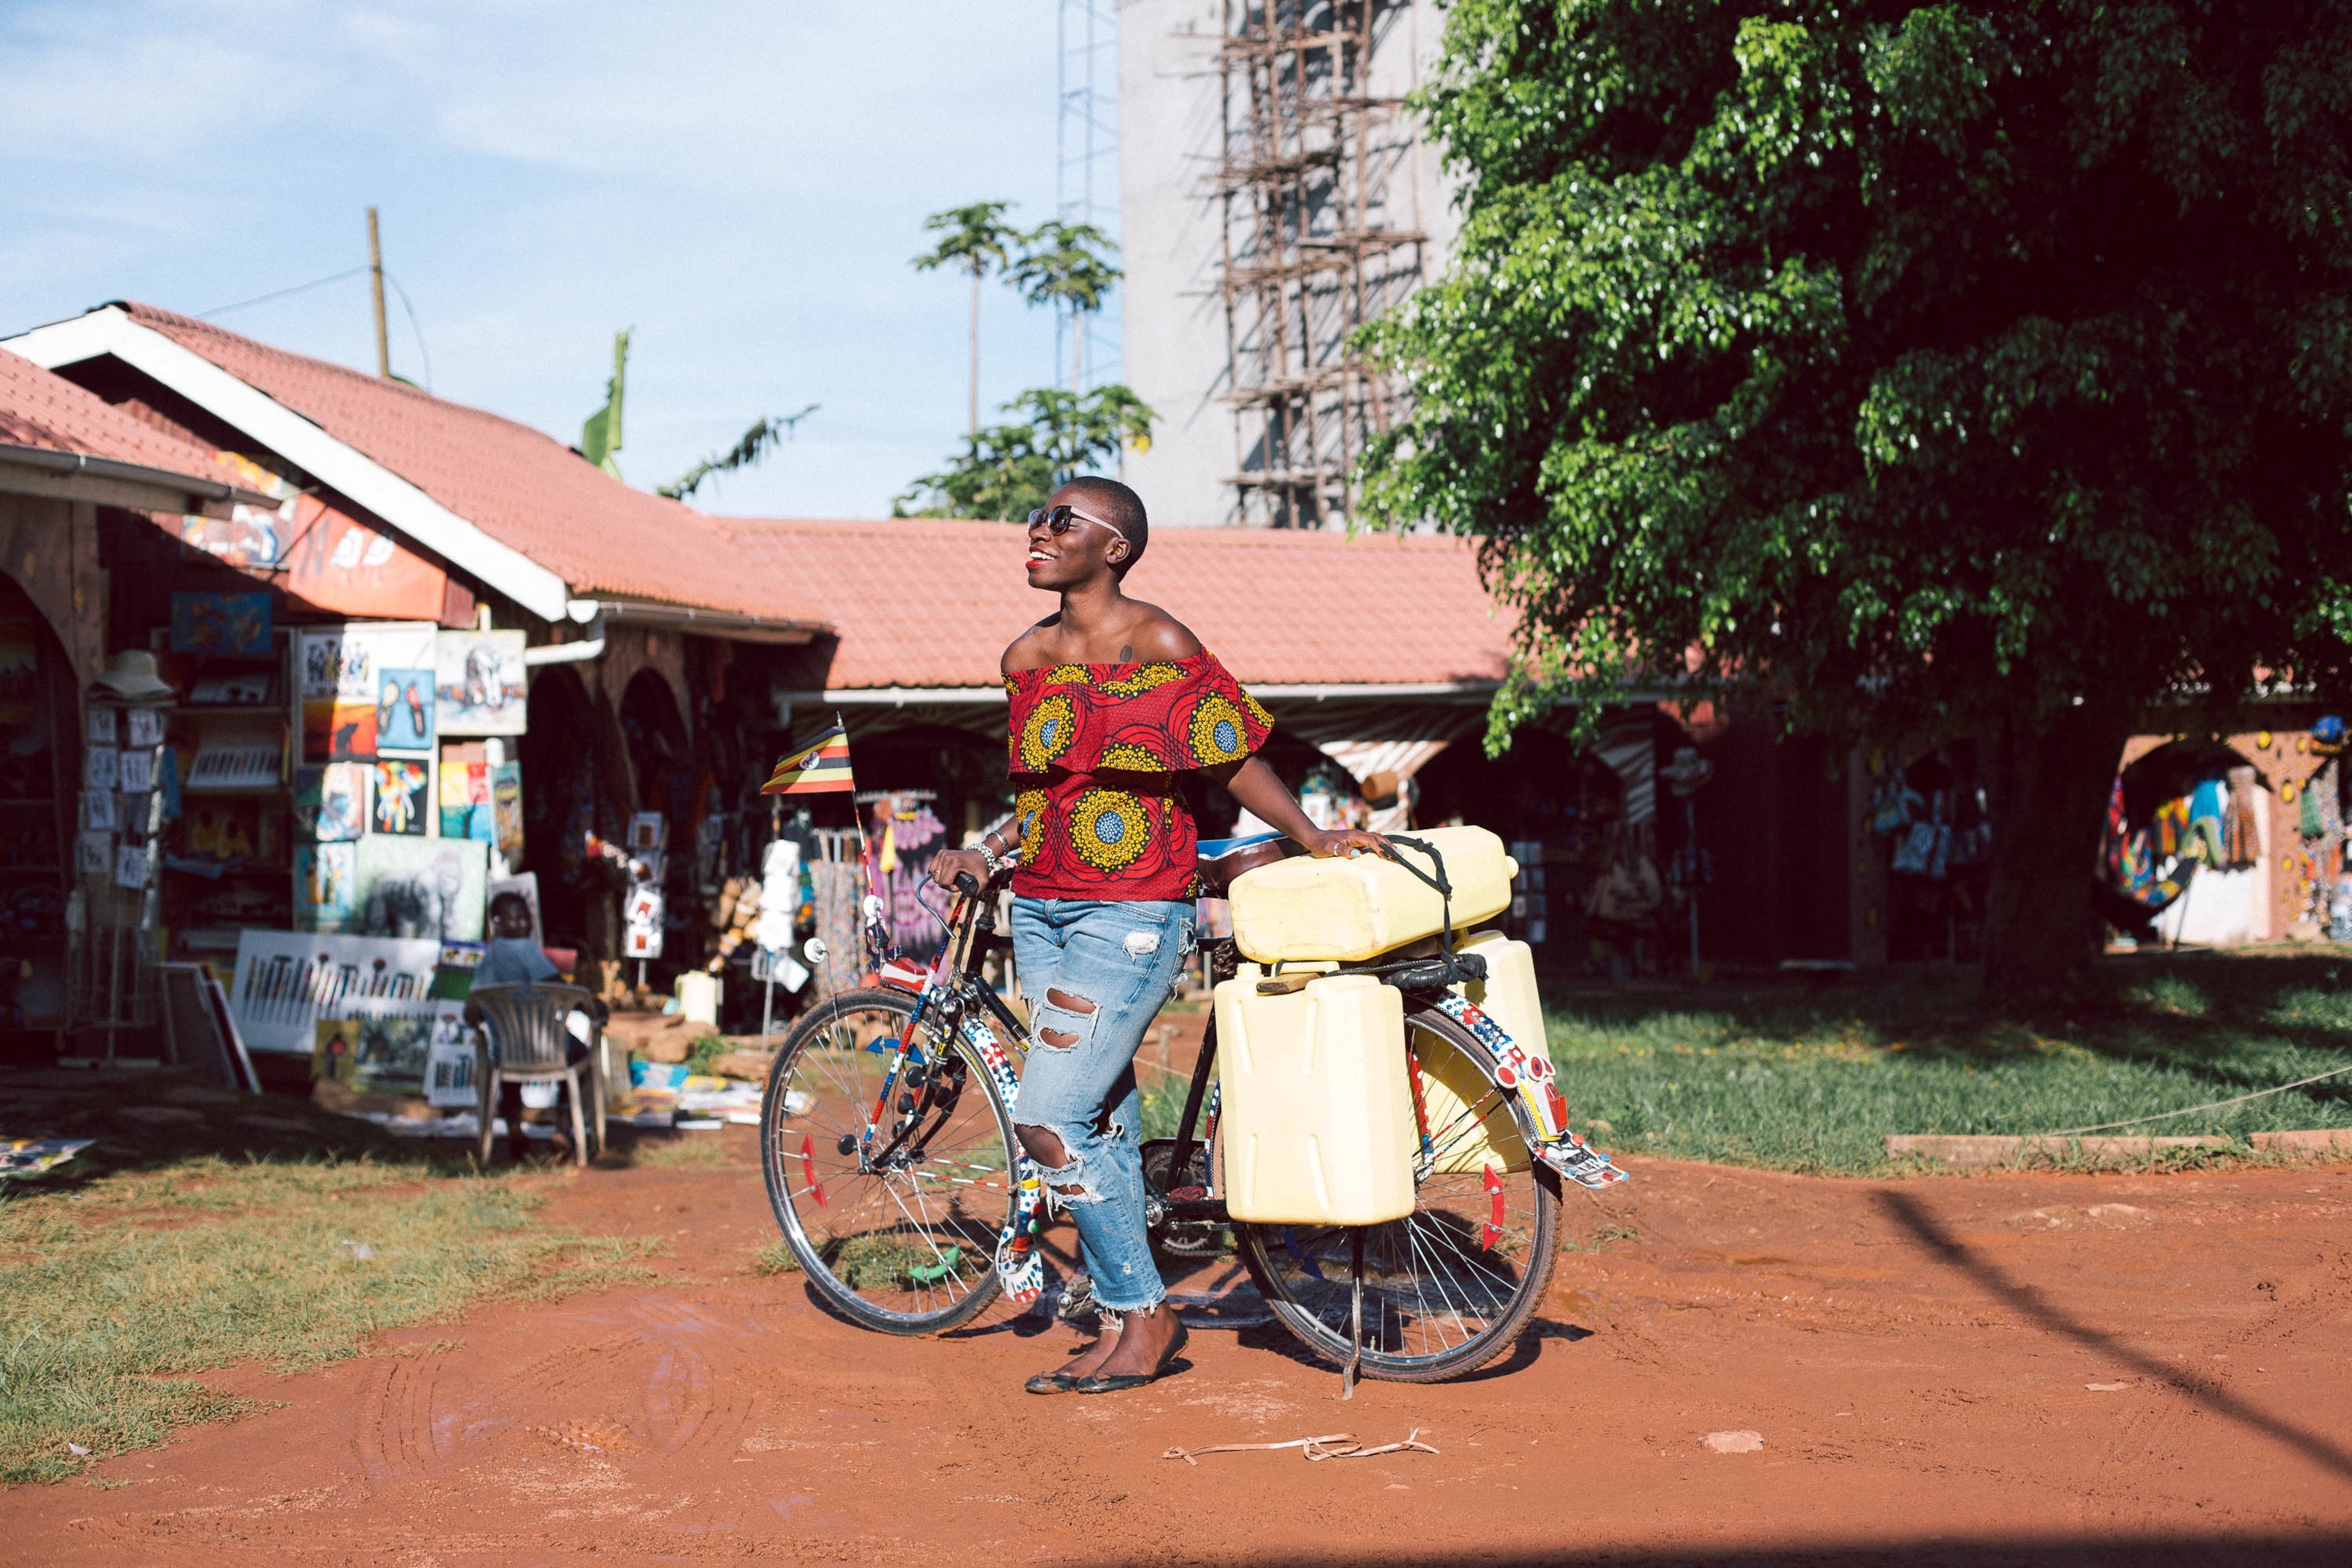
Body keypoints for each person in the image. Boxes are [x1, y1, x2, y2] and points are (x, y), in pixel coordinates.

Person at [927, 476, 1387, 1396]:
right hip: (1043, 910)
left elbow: (1228, 753)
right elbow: (1047, 797)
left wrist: (1313, 836)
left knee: (1048, 1117)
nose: (1039, 530)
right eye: (1036, 517)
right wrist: (983, 847)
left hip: (1134, 910)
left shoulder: (1159, 640)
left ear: (1116, 548)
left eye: (1064, 520)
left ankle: (1146, 1313)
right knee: (1096, 1114)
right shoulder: (1024, 657)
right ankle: (1119, 1314)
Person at [466, 891, 589, 1160]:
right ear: (497, 922)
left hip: (507, 1053)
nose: (523, 925)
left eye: (526, 918)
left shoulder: (489, 958)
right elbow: (557, 984)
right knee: (582, 1056)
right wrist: (591, 1005)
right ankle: (563, 1129)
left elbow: (472, 1009)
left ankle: (514, 1128)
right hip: (549, 1049)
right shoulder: (525, 948)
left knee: (510, 1079)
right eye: (516, 919)